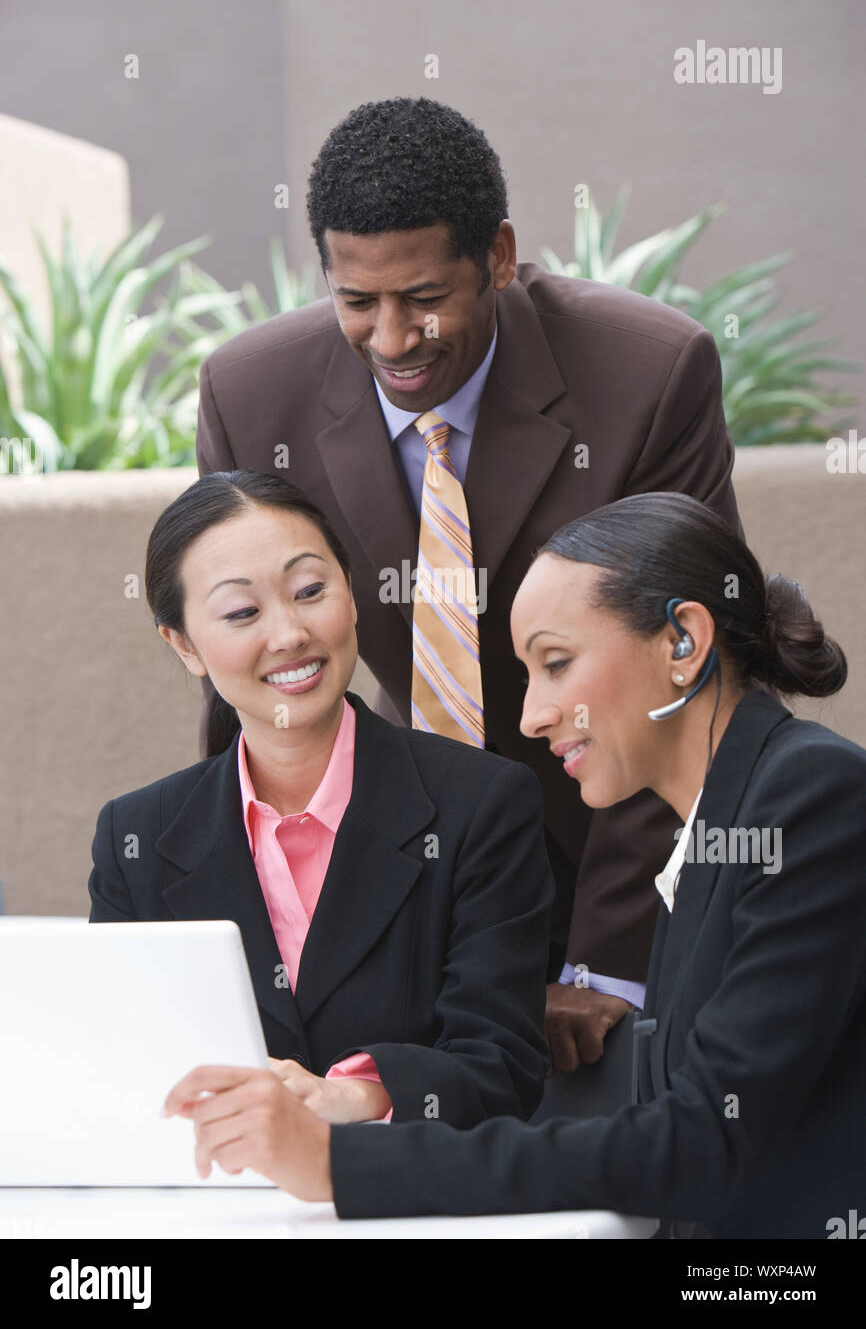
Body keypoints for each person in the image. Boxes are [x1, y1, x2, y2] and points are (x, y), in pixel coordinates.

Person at [195, 96, 743, 1068]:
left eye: (423, 296)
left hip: (620, 854)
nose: (393, 339)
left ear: (497, 255)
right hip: (413, 863)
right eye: (357, 301)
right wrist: (242, 941)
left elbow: (681, 678)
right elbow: (242, 677)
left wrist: (605, 966)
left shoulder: (647, 374)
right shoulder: (253, 394)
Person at [163, 493, 866, 1239]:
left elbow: (700, 1142)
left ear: (682, 643)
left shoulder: (807, 797)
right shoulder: (718, 821)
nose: (532, 717)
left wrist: (343, 1165)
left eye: (556, 664)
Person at [88, 470, 553, 1129]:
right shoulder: (135, 838)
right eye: (242, 613)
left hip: (413, 1213)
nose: (289, 634)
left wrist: (356, 1095)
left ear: (352, 593)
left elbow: (502, 1064)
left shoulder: (481, 806)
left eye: (310, 591)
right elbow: (115, 1066)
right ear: (185, 645)